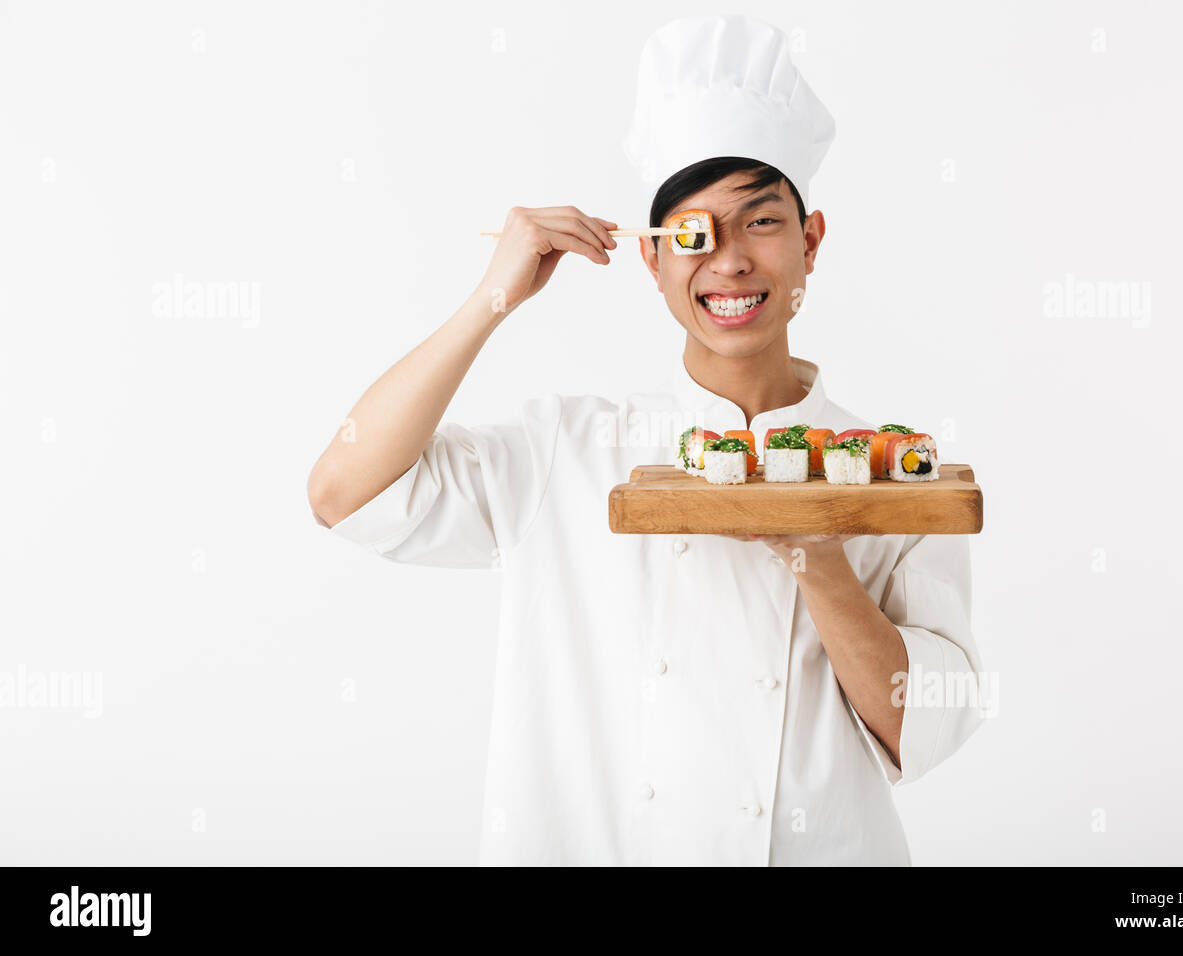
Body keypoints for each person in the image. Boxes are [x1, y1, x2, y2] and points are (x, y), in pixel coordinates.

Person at [307, 14, 987, 866]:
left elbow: (922, 726)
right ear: (653, 260)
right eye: (695, 234)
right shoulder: (569, 448)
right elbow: (344, 492)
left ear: (811, 245)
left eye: (761, 223)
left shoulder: (888, 469)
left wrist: (816, 550)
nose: (730, 262)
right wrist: (493, 297)